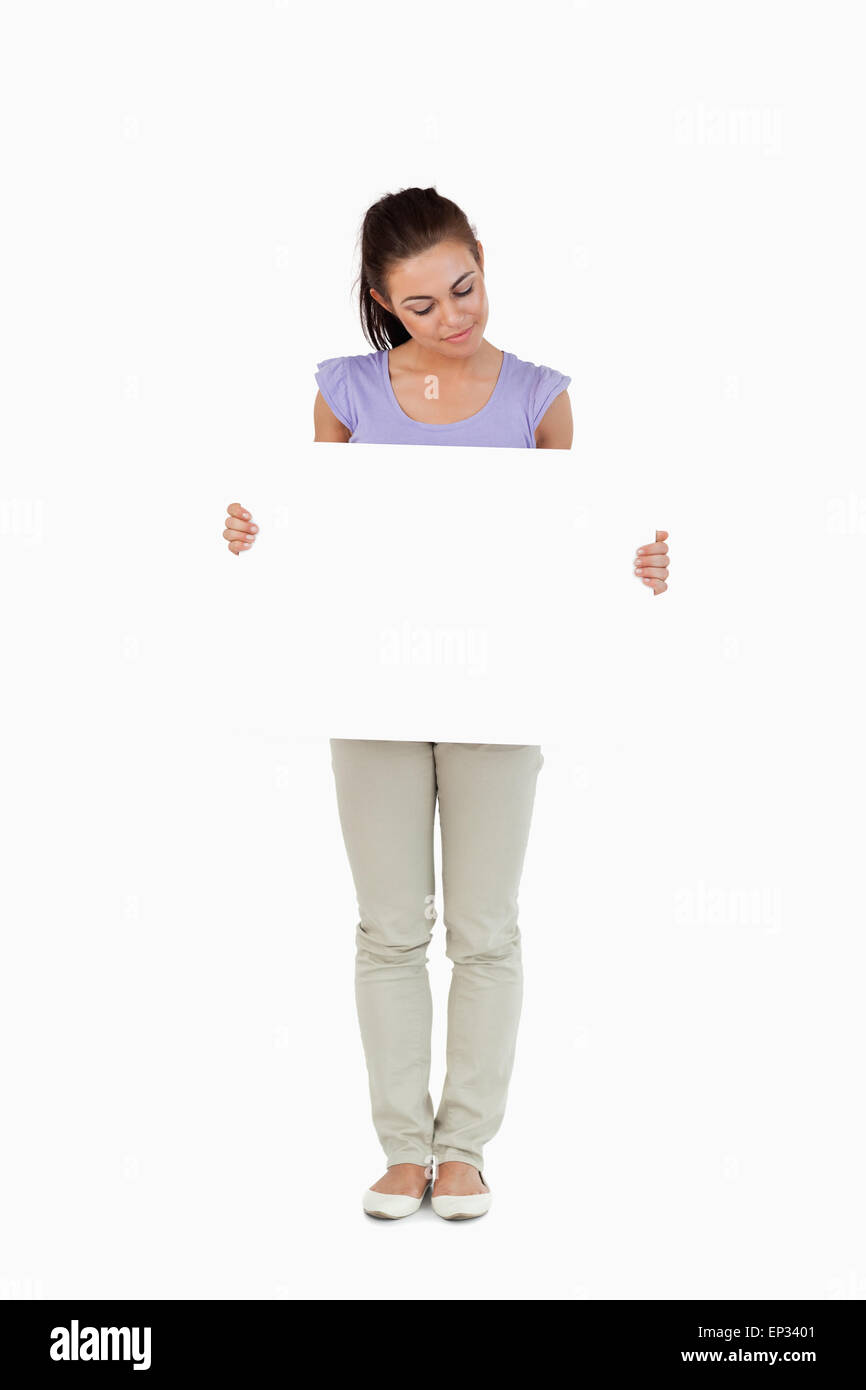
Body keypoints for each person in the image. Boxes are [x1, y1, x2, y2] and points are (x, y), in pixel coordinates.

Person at [222, 187, 670, 1220]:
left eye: (462, 287)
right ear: (381, 301)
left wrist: (631, 565)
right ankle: (399, 1147)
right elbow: (315, 539)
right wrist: (261, 535)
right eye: (421, 305)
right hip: (367, 681)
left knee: (483, 926)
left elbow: (569, 548)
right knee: (387, 925)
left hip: (500, 684)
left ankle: (462, 1146)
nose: (452, 317)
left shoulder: (538, 394)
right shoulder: (343, 390)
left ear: (479, 258)